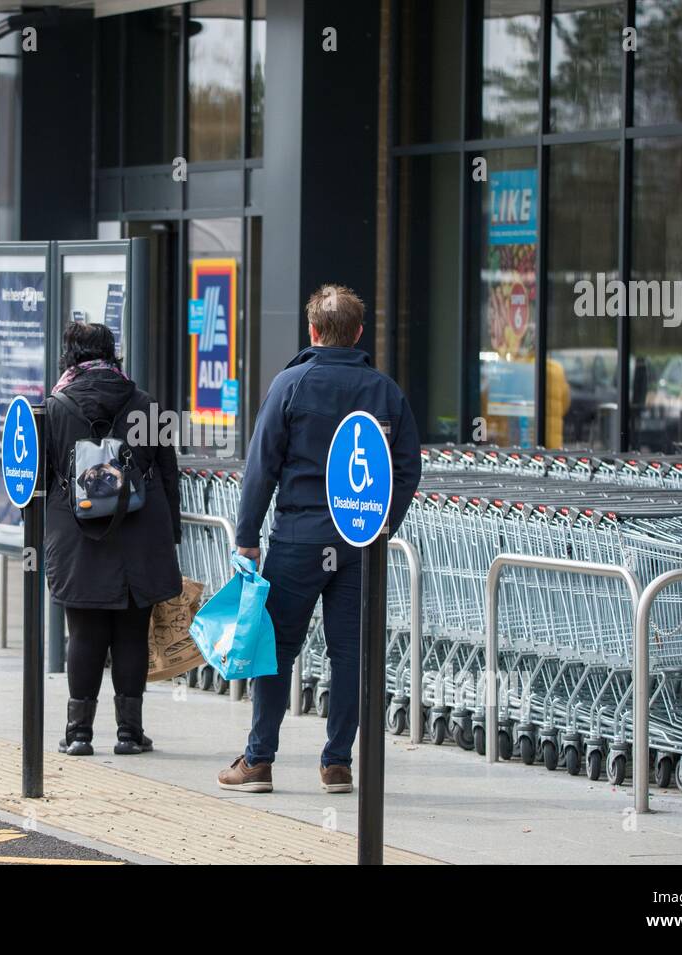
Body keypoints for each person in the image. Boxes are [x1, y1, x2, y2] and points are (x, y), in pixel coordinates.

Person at [217, 285, 421, 795]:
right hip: (358, 545)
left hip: (298, 538)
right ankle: (337, 764)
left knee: (276, 649)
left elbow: (262, 466)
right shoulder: (385, 391)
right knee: (349, 653)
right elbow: (408, 467)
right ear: (357, 332)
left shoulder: (290, 384)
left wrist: (247, 537)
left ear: (312, 331)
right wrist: (381, 522)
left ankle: (259, 761)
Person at [44, 322, 182, 756]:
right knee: (130, 634)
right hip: (138, 536)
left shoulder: (53, 408)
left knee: (83, 635)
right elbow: (167, 471)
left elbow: (41, 479)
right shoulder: (146, 405)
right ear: (111, 353)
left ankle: (78, 734)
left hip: (78, 536)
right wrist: (171, 533)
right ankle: (129, 733)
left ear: (69, 356)